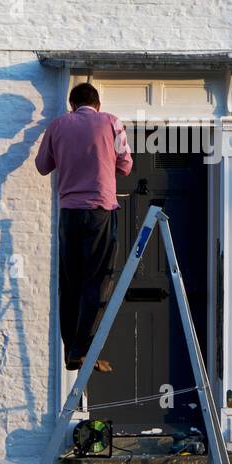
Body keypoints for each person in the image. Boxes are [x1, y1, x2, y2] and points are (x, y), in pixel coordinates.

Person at [34, 82, 133, 372]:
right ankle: (84, 348)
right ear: (98, 104)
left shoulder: (57, 125)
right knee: (98, 278)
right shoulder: (112, 122)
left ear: (72, 104)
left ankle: (71, 351)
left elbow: (42, 166)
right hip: (100, 209)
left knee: (70, 282)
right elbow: (126, 165)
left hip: (69, 213)